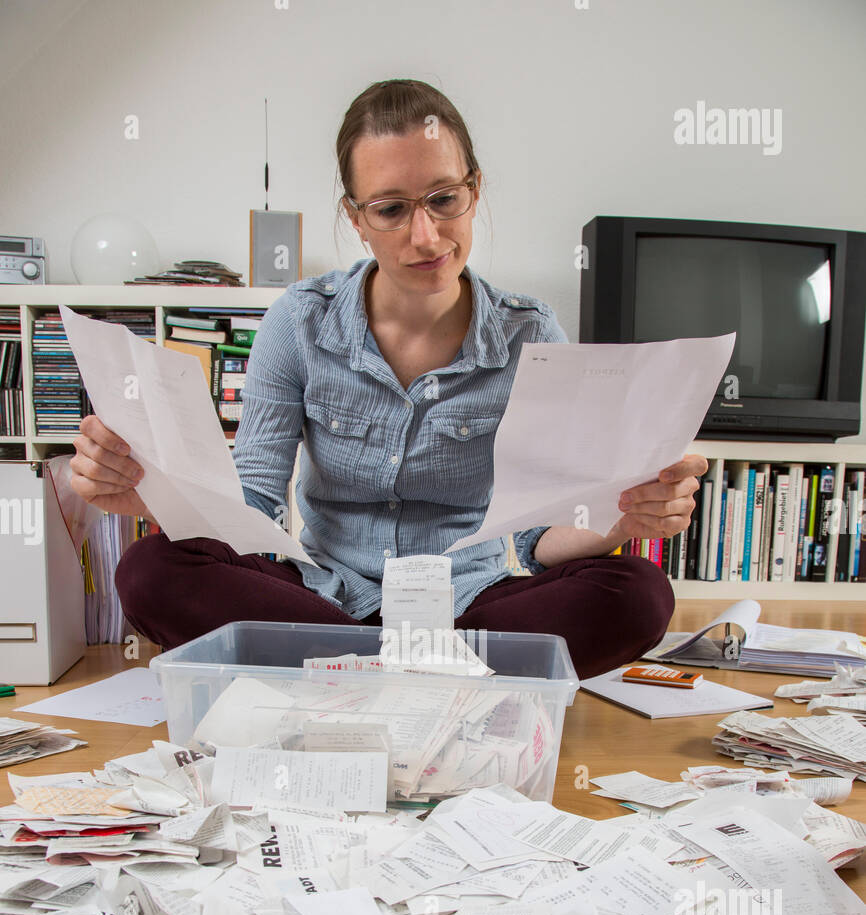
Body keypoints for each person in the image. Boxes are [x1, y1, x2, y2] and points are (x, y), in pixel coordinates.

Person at [68, 78, 707, 678]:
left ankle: (340, 674)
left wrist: (626, 519)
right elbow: (255, 508)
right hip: (325, 595)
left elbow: (543, 537)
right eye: (391, 209)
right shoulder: (299, 320)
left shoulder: (530, 333)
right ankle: (417, 676)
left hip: (469, 605)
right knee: (149, 571)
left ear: (474, 190)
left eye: (443, 199)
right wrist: (151, 496)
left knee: (638, 593)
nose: (425, 235)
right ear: (355, 216)